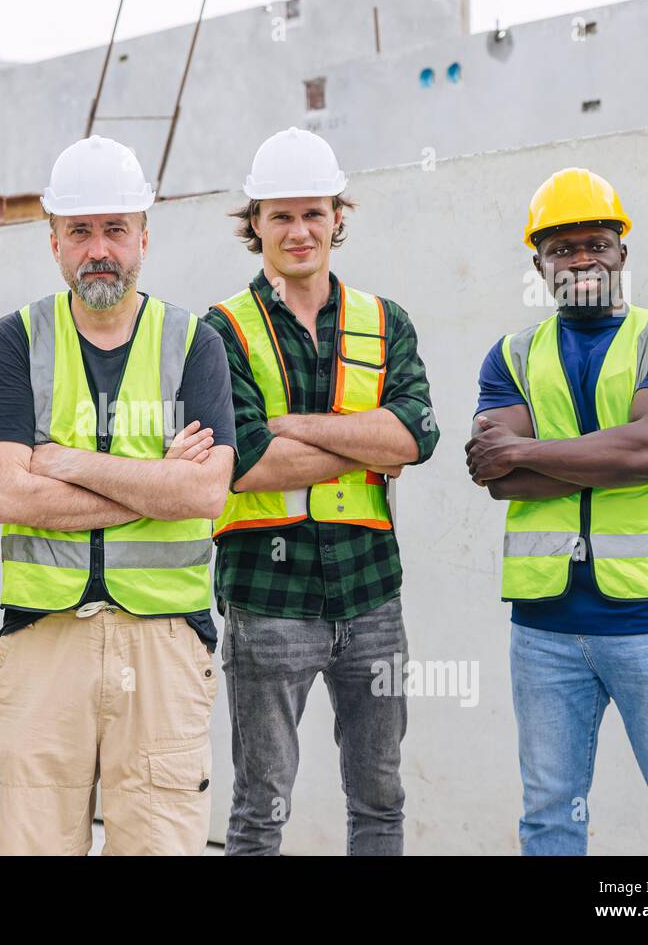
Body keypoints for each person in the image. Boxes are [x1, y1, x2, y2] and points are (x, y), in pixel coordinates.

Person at [0, 135, 235, 855]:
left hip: (164, 641)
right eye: (81, 231)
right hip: (40, 640)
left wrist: (61, 461)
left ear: (144, 238)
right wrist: (159, 482)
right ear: (53, 241)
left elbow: (209, 490)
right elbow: (6, 494)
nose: (99, 249)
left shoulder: (195, 342)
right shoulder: (14, 340)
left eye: (115, 229)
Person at [466, 167, 648, 855]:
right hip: (544, 629)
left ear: (621, 251)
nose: (580, 259)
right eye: (562, 249)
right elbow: (499, 480)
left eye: (595, 244)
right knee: (550, 815)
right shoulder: (512, 355)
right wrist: (625, 458)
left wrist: (532, 451)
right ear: (539, 263)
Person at [205, 128, 439, 855]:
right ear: (255, 226)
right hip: (267, 599)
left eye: (314, 213)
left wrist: (293, 426)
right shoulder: (220, 330)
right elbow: (244, 462)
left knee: (381, 798)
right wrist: (360, 441)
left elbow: (415, 438)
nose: (299, 230)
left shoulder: (384, 320)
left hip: (372, 594)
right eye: (280, 215)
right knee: (260, 806)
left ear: (339, 216)